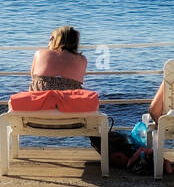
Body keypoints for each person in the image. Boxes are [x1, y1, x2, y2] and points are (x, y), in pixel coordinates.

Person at [28, 26, 142, 170]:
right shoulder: (81, 60)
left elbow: (32, 77)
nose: (49, 39)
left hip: (36, 119)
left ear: (57, 39)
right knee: (96, 118)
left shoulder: (39, 54)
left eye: (52, 36)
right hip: (73, 121)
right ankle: (118, 153)